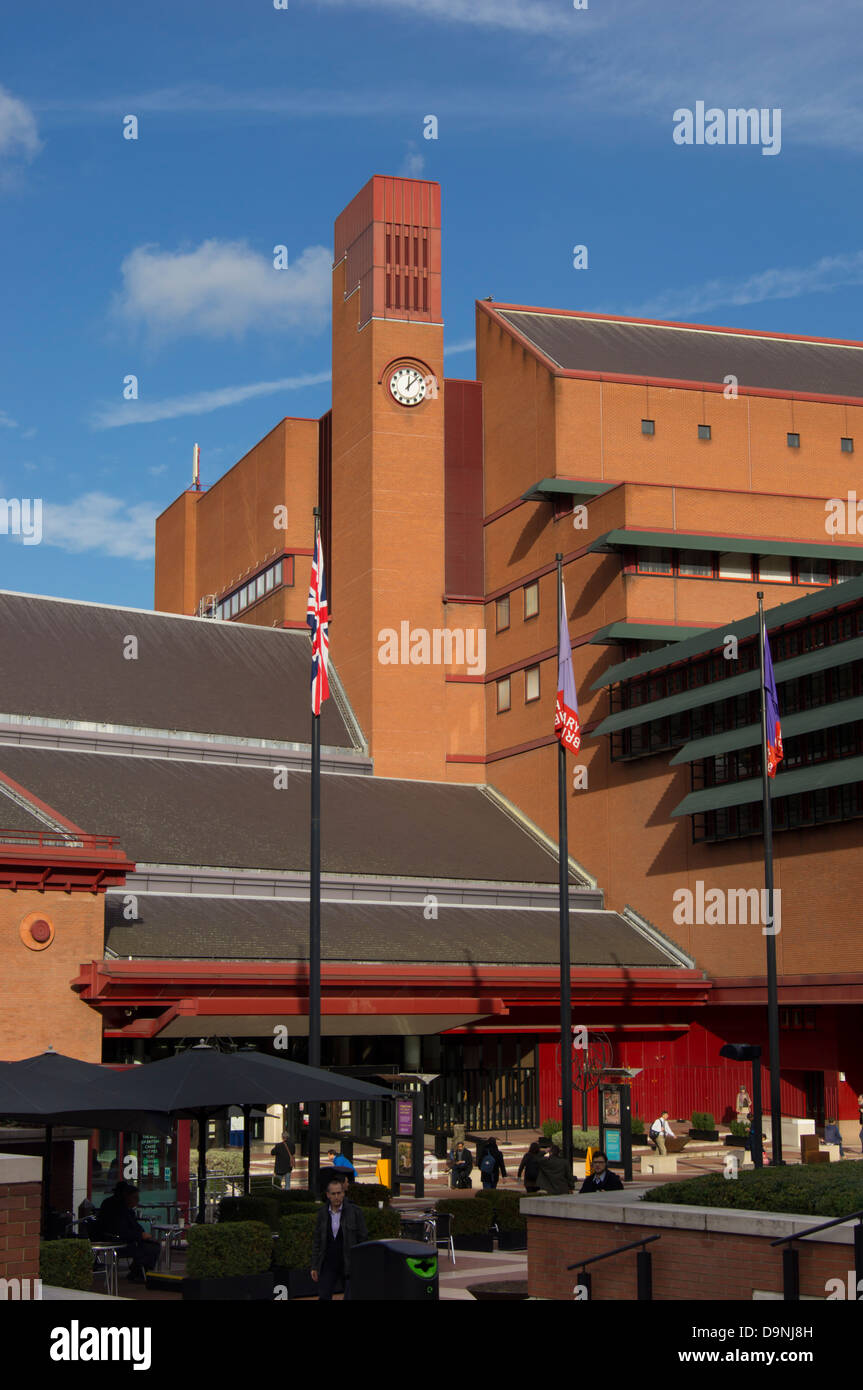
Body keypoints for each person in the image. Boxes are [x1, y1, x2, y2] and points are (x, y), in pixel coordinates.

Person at [310, 1177, 369, 1300]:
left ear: (343, 1193)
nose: (337, 1196)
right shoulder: (322, 1213)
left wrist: (361, 1264)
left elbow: (363, 1239)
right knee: (324, 1295)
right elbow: (317, 1241)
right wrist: (314, 1266)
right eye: (333, 1194)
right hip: (328, 1263)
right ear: (328, 1195)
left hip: (348, 1263)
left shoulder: (355, 1212)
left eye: (339, 1193)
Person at [96, 1182, 159, 1283]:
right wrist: (140, 1235)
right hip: (116, 1241)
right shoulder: (117, 1209)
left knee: (152, 1245)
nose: (137, 1200)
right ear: (126, 1196)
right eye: (135, 1197)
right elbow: (121, 1230)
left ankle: (138, 1270)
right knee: (150, 1248)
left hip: (125, 1238)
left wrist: (142, 1234)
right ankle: (138, 1272)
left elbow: (134, 1225)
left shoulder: (125, 1208)